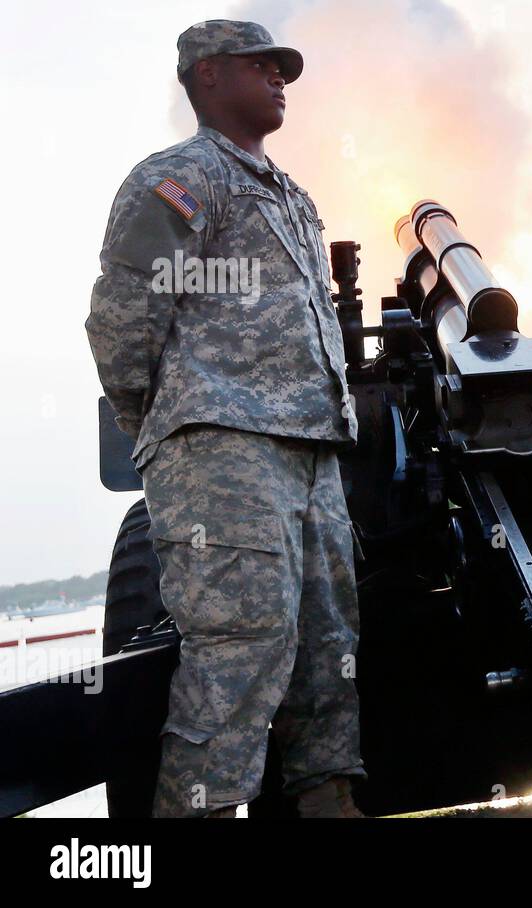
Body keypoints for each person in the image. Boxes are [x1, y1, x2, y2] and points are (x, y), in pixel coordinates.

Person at [86, 20, 366, 817]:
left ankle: (327, 801)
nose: (280, 78)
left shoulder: (291, 195)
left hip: (312, 449)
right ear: (208, 77)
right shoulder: (178, 178)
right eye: (261, 66)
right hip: (221, 447)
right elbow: (122, 320)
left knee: (327, 644)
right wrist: (176, 422)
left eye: (283, 68)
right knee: (242, 644)